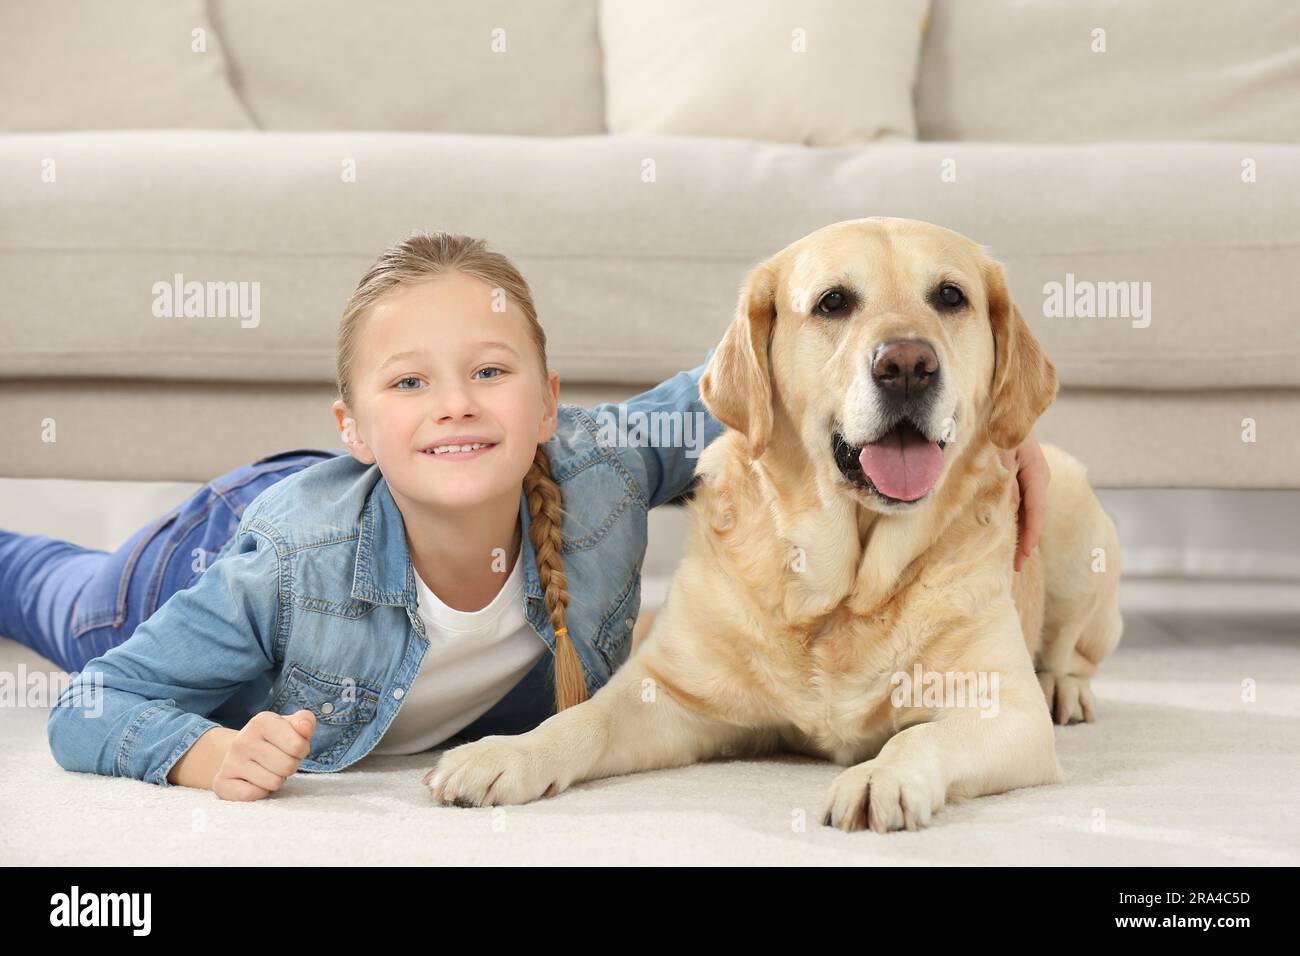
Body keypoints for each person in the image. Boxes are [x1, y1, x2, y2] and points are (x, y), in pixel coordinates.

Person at [0, 231, 1050, 801]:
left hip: (358, 492)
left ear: (550, 403)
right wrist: (202, 754)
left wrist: (988, 420)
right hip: (197, 557)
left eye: (490, 372)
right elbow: (92, 703)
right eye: (410, 382)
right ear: (354, 422)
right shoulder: (282, 568)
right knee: (55, 590)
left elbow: (782, 379)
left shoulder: (598, 464)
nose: (456, 402)